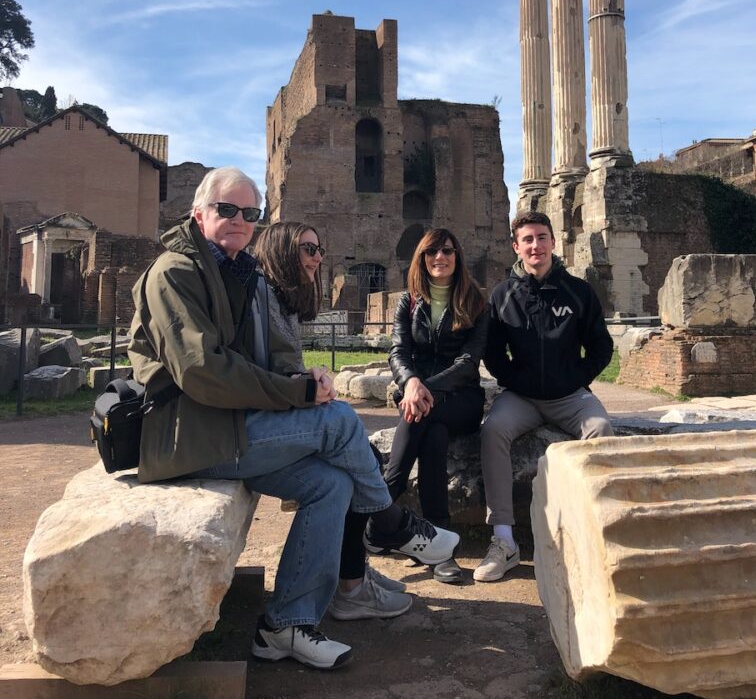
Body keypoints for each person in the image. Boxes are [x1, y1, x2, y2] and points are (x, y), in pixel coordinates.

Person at [129, 167, 459, 671]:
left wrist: (299, 379)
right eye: (227, 210)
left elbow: (249, 362)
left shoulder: (229, 269)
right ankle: (390, 523)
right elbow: (201, 371)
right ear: (199, 213)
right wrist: (298, 390)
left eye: (250, 213)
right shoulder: (177, 271)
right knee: (340, 422)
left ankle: (285, 624)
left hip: (228, 428)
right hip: (188, 437)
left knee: (332, 483)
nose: (240, 220)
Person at [251, 220, 411, 620]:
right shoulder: (260, 296)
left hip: (272, 417)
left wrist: (309, 379)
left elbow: (280, 368)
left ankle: (352, 580)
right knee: (354, 447)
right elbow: (256, 372)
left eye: (319, 249)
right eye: (309, 249)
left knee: (348, 471)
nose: (319, 257)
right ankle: (381, 539)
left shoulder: (279, 299)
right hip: (254, 427)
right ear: (281, 251)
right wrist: (303, 386)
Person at [475, 210, 614, 583]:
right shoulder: (503, 296)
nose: (535, 245)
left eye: (541, 237)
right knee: (493, 431)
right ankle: (503, 540)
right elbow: (492, 352)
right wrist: (513, 379)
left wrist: (576, 378)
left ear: (553, 241)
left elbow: (601, 347)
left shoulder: (579, 291)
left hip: (570, 396)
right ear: (516, 248)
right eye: (528, 240)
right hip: (520, 397)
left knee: (601, 430)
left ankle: (595, 533)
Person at [384, 228, 488, 584]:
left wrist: (421, 390)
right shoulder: (408, 301)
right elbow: (398, 351)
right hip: (422, 399)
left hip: (462, 399)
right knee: (434, 436)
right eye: (431, 252)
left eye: (447, 250)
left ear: (457, 256)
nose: (439, 258)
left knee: (422, 417)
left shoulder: (476, 301)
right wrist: (411, 383)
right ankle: (441, 547)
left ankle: (382, 504)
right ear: (421, 259)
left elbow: (468, 362)